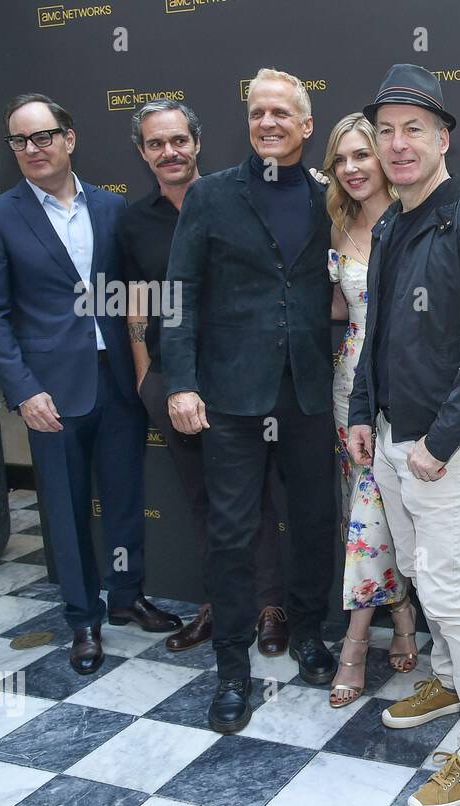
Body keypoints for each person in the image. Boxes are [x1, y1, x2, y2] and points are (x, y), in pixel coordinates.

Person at [346, 64, 460, 806]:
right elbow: (373, 333)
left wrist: (440, 442)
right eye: (385, 130)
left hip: (446, 445)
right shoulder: (388, 222)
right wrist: (361, 410)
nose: (397, 143)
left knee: (447, 585)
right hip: (389, 437)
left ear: (444, 137)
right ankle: (449, 679)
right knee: (419, 571)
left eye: (413, 128)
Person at [0, 93, 181, 677]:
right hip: (49, 394)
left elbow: (140, 294)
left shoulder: (114, 210)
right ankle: (83, 618)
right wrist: (23, 389)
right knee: (62, 509)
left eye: (42, 137)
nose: (32, 149)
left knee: (123, 498)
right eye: (19, 141)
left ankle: (126, 596)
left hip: (116, 382)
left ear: (69, 138)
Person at [163, 68, 338, 733]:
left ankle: (309, 632)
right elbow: (178, 295)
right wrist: (180, 381)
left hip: (307, 388)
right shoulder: (209, 195)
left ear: (306, 125)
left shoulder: (330, 197)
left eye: (280, 113)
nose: (267, 122)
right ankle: (232, 665)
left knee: (316, 520)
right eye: (257, 112)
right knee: (233, 535)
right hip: (230, 395)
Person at [120, 99, 290, 659]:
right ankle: (221, 605)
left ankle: (268, 607)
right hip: (174, 384)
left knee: (254, 498)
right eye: (155, 144)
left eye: (178, 140)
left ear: (197, 142)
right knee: (201, 499)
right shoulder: (135, 220)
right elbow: (137, 306)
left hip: (239, 380)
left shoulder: (232, 199)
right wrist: (153, 382)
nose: (169, 152)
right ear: (143, 153)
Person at [320, 111, 418, 708]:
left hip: (400, 389)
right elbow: (340, 305)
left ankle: (355, 642)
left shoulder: (415, 218)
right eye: (341, 159)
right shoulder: (338, 223)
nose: (353, 168)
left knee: (375, 516)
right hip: (345, 388)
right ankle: (401, 616)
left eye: (363, 154)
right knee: (371, 516)